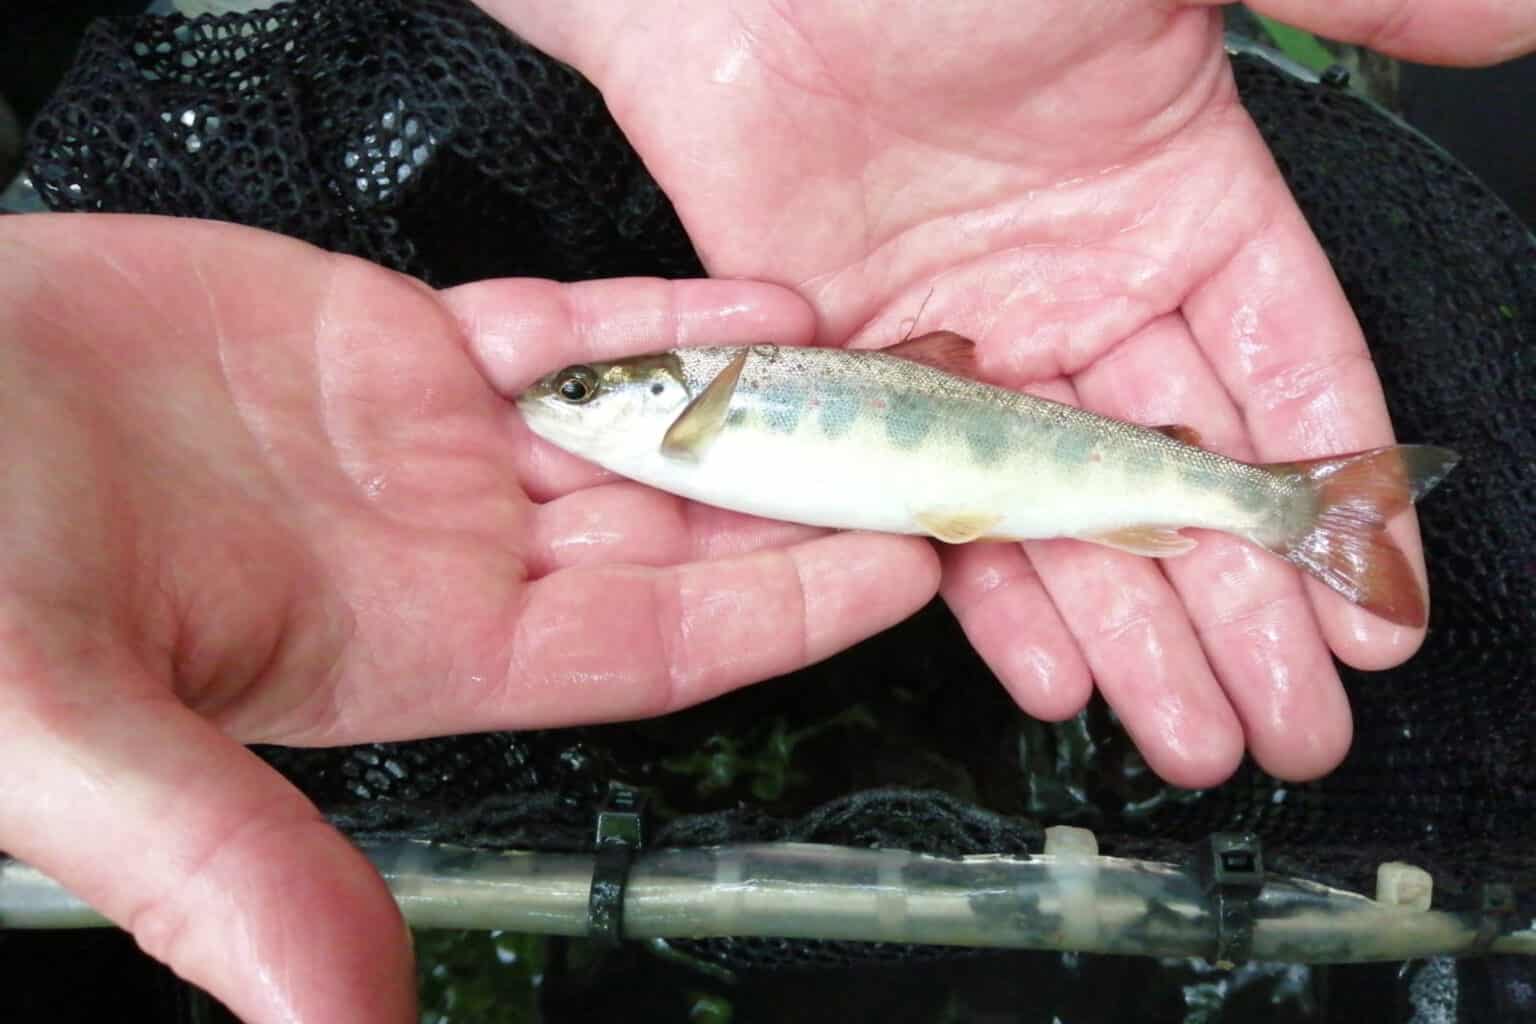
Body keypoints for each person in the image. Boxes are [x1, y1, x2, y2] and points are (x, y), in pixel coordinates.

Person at [1, 1, 1531, 1020]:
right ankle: (1278, 507)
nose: (564, 408)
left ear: (665, 396)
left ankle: (1281, 509)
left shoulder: (703, 410)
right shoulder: (693, 417)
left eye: (592, 397)